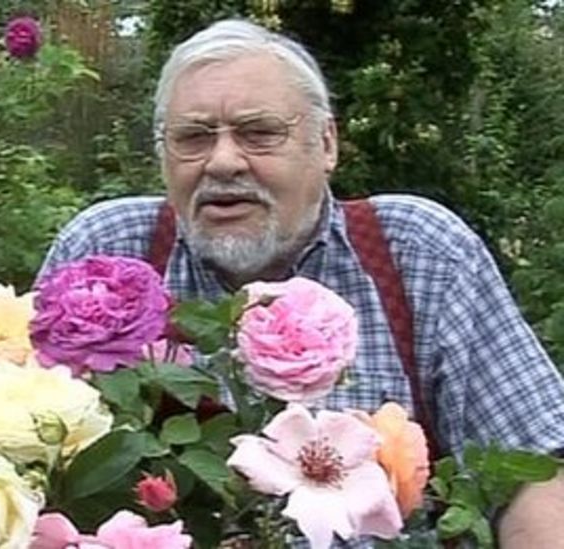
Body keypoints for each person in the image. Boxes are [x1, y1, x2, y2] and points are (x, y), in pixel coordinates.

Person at [39, 18, 564, 547]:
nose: (222, 162)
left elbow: (536, 473)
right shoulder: (106, 257)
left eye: (259, 133)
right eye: (193, 138)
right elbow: (22, 464)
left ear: (327, 143)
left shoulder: (418, 253)